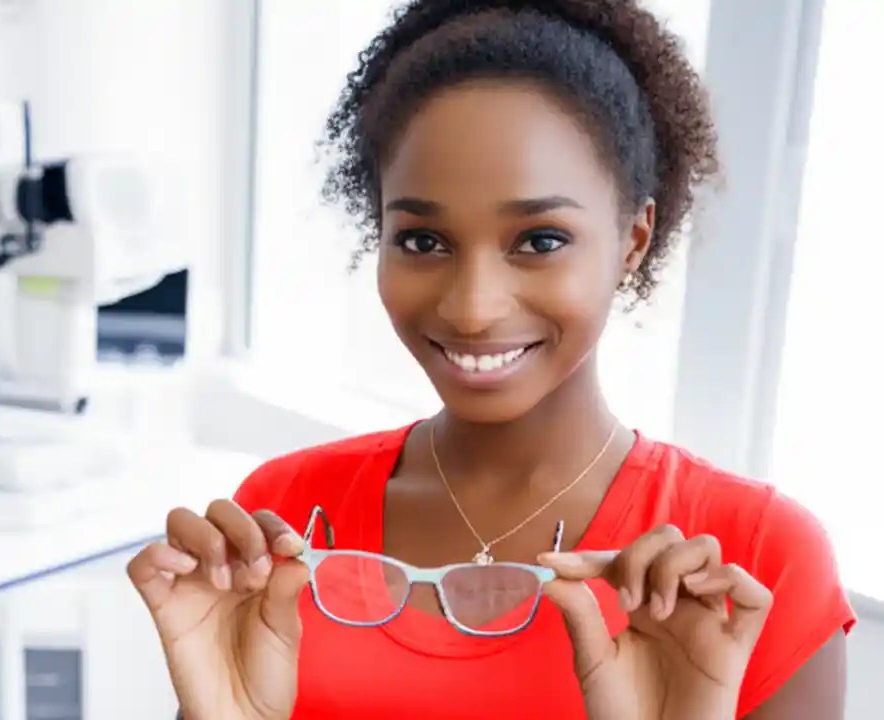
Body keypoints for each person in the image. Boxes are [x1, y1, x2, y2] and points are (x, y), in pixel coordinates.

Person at [126, 1, 857, 718]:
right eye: (422, 240)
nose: (473, 307)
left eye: (539, 240)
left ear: (632, 240)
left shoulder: (754, 561)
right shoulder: (283, 518)